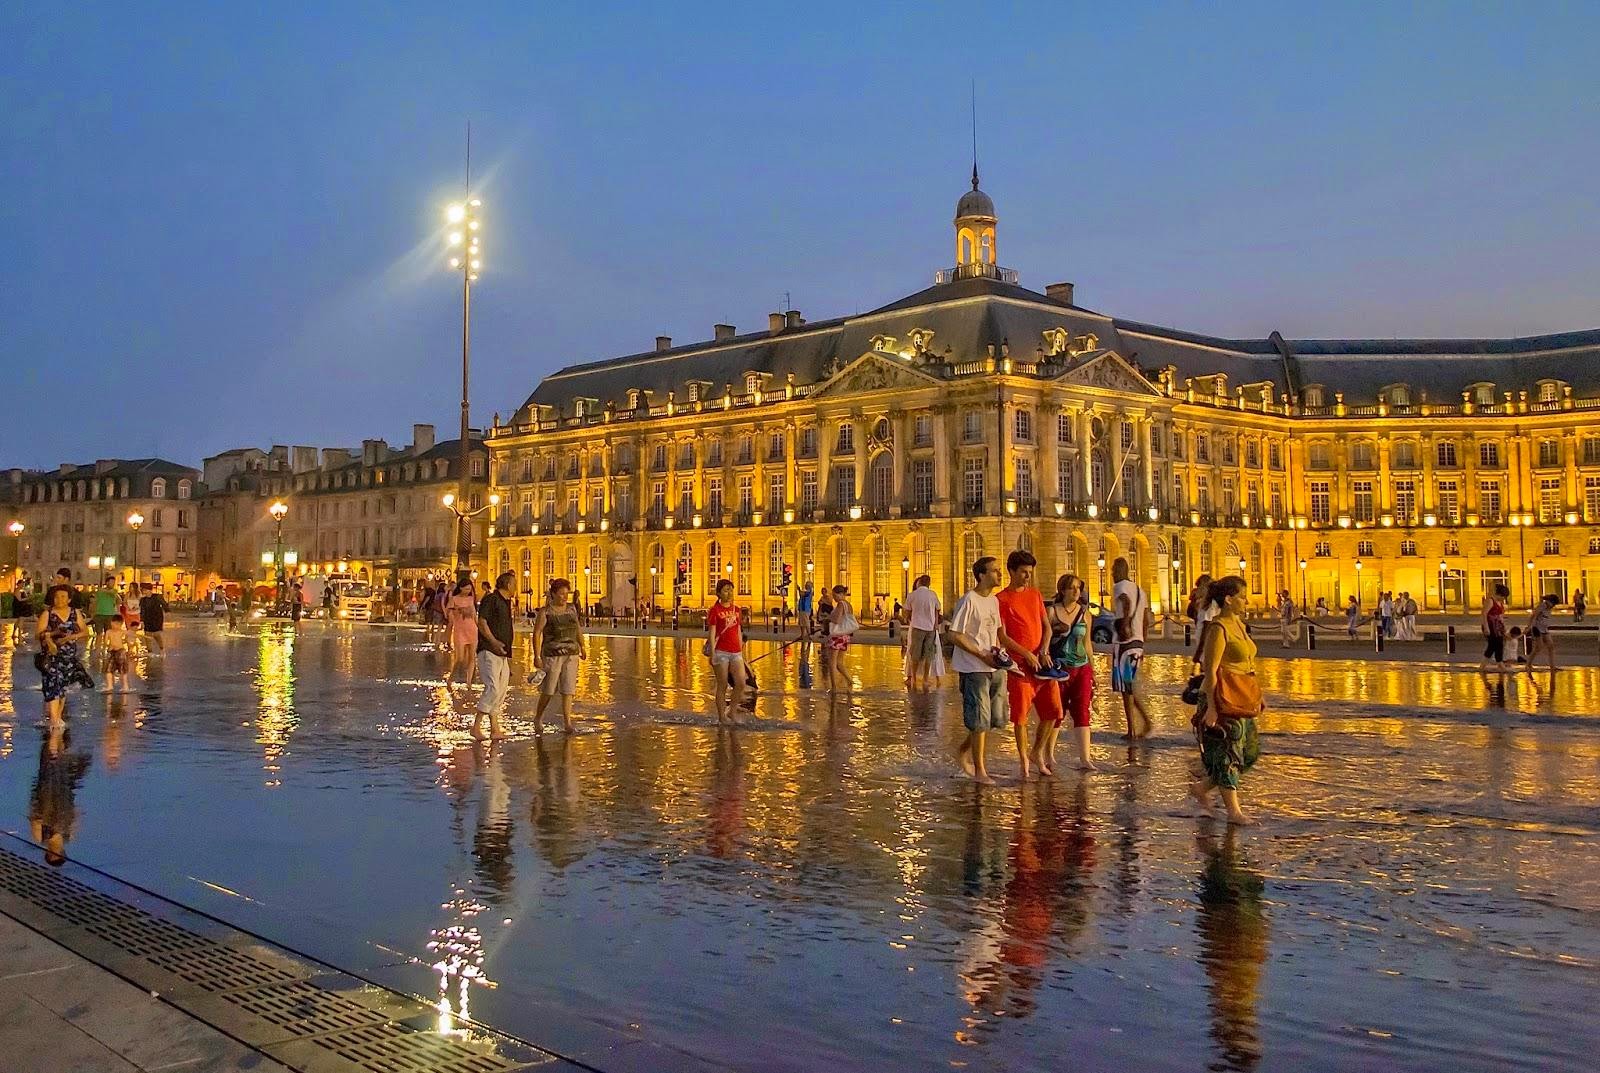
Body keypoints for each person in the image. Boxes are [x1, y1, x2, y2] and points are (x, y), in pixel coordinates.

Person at [1189, 577, 1262, 825]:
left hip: (1241, 695)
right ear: (1229, 600)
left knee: (1249, 752)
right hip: (1220, 697)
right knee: (1227, 753)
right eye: (1242, 596)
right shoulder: (1218, 628)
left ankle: (1202, 788)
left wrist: (1256, 695)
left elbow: (1248, 664)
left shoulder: (1239, 624)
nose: (1246, 600)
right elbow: (1211, 671)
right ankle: (1234, 812)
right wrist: (1210, 707)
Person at [997, 550, 1064, 779]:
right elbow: (1004, 637)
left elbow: (1047, 626)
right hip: (1020, 666)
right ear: (1012, 571)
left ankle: (1037, 752)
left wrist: (1044, 650)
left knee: (1054, 711)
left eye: (1030, 572)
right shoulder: (1001, 599)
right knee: (1021, 716)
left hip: (1042, 663)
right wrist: (1026, 654)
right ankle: (1024, 759)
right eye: (1024, 572)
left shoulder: (1035, 595)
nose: (1027, 576)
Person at [950, 556, 1010, 784]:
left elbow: (995, 633)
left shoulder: (993, 601)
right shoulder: (968, 601)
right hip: (973, 667)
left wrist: (1000, 654)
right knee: (979, 719)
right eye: (994, 571)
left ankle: (963, 751)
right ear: (981, 575)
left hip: (994, 666)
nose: (999, 574)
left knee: (996, 718)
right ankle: (980, 771)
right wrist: (980, 654)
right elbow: (954, 635)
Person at [1047, 573, 1097, 771]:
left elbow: (1088, 644)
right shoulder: (1052, 612)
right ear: (1062, 590)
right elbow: (1045, 641)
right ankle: (1049, 754)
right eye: (1072, 588)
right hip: (1060, 668)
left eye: (1079, 588)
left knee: (1082, 710)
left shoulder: (1085, 614)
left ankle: (1085, 758)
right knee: (1057, 711)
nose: (1077, 592)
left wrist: (1092, 671)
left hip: (1081, 667)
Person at [532, 578, 586, 733]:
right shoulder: (546, 612)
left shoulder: (571, 609)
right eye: (561, 594)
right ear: (553, 594)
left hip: (571, 653)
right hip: (552, 654)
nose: (564, 597)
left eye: (566, 594)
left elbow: (577, 628)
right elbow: (536, 634)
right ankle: (538, 717)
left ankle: (567, 722)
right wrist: (536, 656)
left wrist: (582, 645)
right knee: (548, 689)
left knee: (568, 689)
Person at [36, 585, 94, 727]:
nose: (59, 600)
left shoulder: (75, 613)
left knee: (62, 688)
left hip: (68, 656)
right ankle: (55, 720)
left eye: (62, 597)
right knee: (53, 685)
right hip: (51, 656)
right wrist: (50, 637)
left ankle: (57, 718)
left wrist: (69, 638)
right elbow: (38, 634)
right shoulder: (47, 614)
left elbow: (85, 632)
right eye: (56, 597)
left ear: (69, 599)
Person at [471, 571, 517, 740]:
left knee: (502, 689)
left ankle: (494, 728)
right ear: (508, 585)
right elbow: (482, 622)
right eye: (515, 584)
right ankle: (476, 726)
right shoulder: (491, 599)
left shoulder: (506, 602)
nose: (516, 587)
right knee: (493, 688)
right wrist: (493, 641)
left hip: (502, 654)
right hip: (489, 650)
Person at [1109, 557, 1152, 739]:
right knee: (1129, 684)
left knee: (1126, 687)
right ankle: (1139, 725)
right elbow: (1145, 619)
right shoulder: (1141, 591)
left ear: (1118, 571)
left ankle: (1134, 728)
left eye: (1112, 570)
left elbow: (1125, 600)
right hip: (1137, 643)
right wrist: (1143, 642)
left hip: (1124, 643)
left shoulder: (1120, 587)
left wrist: (1125, 622)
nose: (1111, 573)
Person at [704, 578, 746, 724]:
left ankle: (732, 711)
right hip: (721, 651)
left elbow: (738, 630)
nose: (729, 593)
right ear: (719, 593)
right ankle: (722, 716)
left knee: (741, 682)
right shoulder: (715, 611)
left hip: (735, 652)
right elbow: (712, 632)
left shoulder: (737, 610)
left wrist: (741, 650)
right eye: (726, 590)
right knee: (722, 685)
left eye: (731, 589)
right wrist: (712, 653)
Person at [904, 573, 942, 691]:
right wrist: (935, 624)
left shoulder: (912, 595)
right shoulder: (933, 595)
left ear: (919, 582)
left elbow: (906, 612)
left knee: (915, 654)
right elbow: (938, 609)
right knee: (928, 655)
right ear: (929, 583)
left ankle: (914, 677)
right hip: (930, 629)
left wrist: (909, 618)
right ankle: (925, 679)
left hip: (917, 627)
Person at [446, 577, 480, 687]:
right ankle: (451, 677)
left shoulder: (471, 599)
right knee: (459, 658)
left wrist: (479, 627)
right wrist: (457, 611)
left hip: (472, 629)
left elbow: (474, 615)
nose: (468, 591)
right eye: (466, 589)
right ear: (460, 588)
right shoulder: (454, 599)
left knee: (472, 656)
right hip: (460, 630)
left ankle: (469, 682)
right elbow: (449, 612)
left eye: (469, 589)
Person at [826, 584, 858, 692]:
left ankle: (834, 687)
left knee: (832, 662)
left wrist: (828, 617)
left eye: (835, 596)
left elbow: (837, 620)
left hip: (837, 635)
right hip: (845, 636)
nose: (834, 598)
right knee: (839, 662)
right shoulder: (849, 605)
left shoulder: (840, 604)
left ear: (841, 594)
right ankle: (850, 681)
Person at [100, 613, 134, 693]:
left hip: (121, 651)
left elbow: (130, 634)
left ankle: (125, 686)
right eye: (115, 624)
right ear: (111, 622)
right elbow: (105, 642)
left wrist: (131, 635)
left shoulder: (121, 631)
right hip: (111, 652)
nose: (116, 626)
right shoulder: (108, 632)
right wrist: (104, 650)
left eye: (118, 624)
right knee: (108, 669)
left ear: (121, 624)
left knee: (123, 670)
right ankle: (109, 686)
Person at [1480, 582, 1510, 673]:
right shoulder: (1490, 601)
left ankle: (1498, 664)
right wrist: (1486, 627)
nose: (1504, 599)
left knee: (1499, 644)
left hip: (1497, 626)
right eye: (1503, 596)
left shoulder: (1500, 603)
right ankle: (1495, 664)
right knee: (1493, 645)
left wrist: (1503, 627)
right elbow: (1484, 614)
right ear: (1499, 594)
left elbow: (1500, 616)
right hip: (1490, 625)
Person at [1526, 595, 1559, 673]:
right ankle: (1528, 664)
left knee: (1551, 646)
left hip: (1544, 629)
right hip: (1537, 628)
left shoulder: (1549, 608)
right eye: (1552, 604)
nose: (1553, 606)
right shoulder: (1542, 606)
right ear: (1549, 601)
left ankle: (1552, 666)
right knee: (1539, 647)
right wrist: (1529, 626)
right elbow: (1533, 615)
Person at [138, 583, 168, 653]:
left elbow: (164, 604)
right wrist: (142, 621)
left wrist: (167, 612)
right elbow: (142, 611)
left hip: (157, 618)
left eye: (145, 590)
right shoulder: (143, 600)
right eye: (143, 590)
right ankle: (150, 651)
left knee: (156, 634)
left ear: (149, 590)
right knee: (147, 635)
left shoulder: (157, 597)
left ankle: (162, 648)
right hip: (147, 618)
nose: (143, 591)